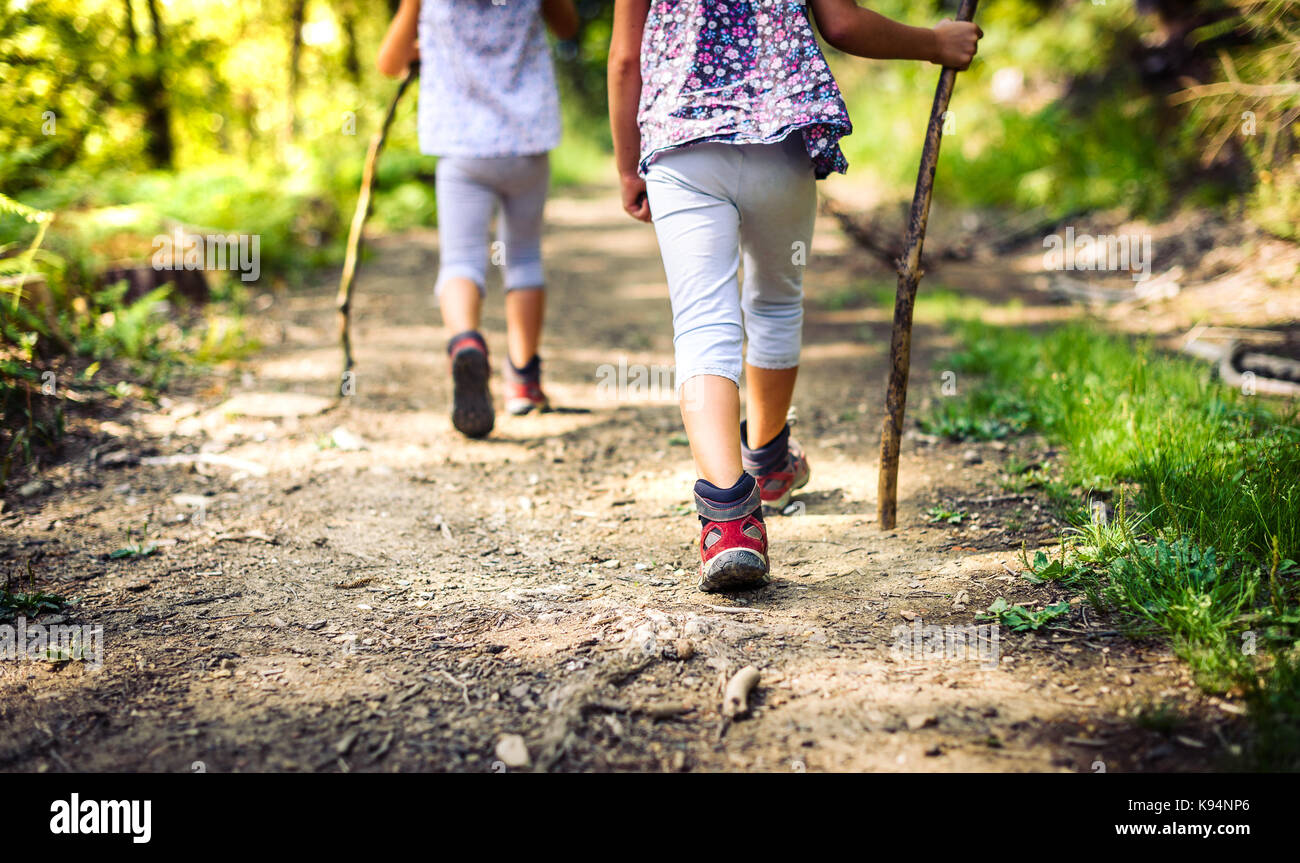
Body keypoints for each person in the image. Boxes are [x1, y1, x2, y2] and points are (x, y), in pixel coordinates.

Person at [607, 0, 981, 591]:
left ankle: (729, 520)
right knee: (776, 301)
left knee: (704, 323)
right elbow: (842, 23)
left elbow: (628, 58)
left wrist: (629, 167)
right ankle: (769, 460)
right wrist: (934, 43)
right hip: (778, 141)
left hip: (681, 146)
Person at [378, 0, 580, 437]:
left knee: (461, 261)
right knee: (523, 257)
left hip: (462, 146)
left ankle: (465, 340)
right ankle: (524, 382)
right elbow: (567, 27)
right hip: (526, 142)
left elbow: (388, 62)